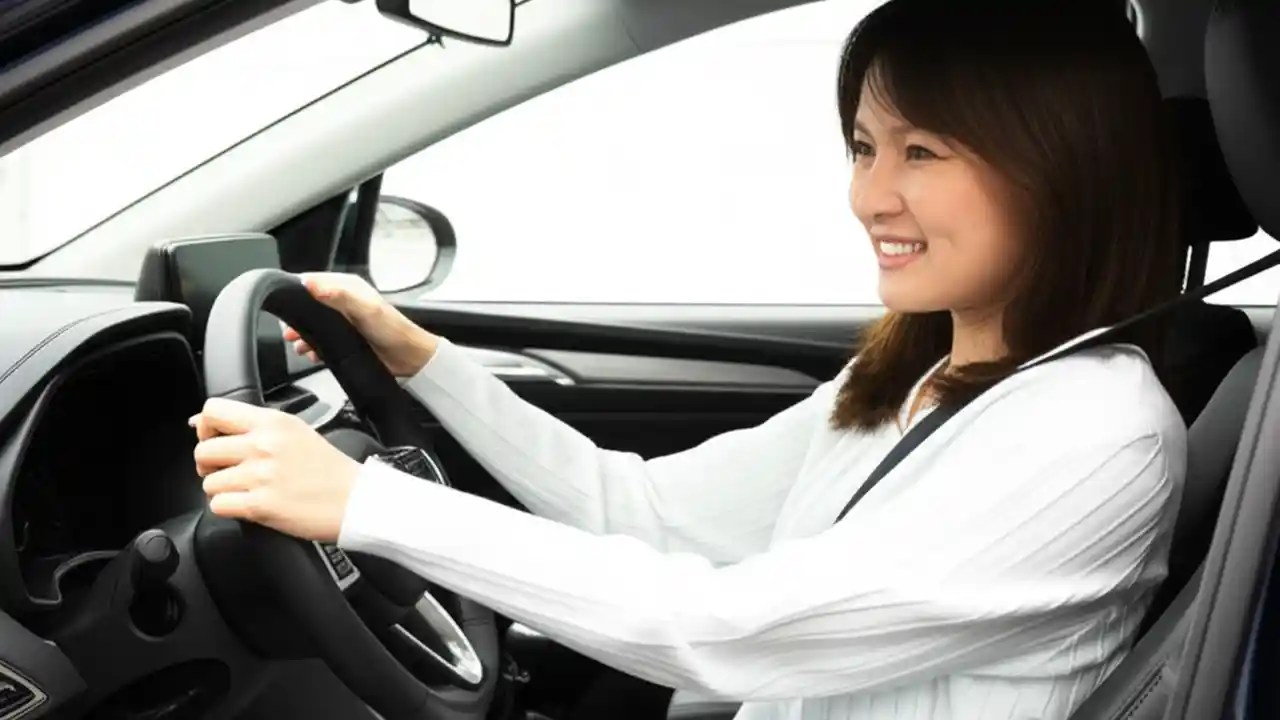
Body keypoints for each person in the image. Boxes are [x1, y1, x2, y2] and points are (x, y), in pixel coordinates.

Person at [188, 1, 1189, 718]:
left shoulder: (1093, 432)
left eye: (920, 152)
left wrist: (367, 505)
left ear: (1059, 169)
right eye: (862, 147)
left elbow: (730, 631)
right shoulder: (922, 377)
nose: (867, 197)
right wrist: (423, 364)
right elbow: (646, 512)